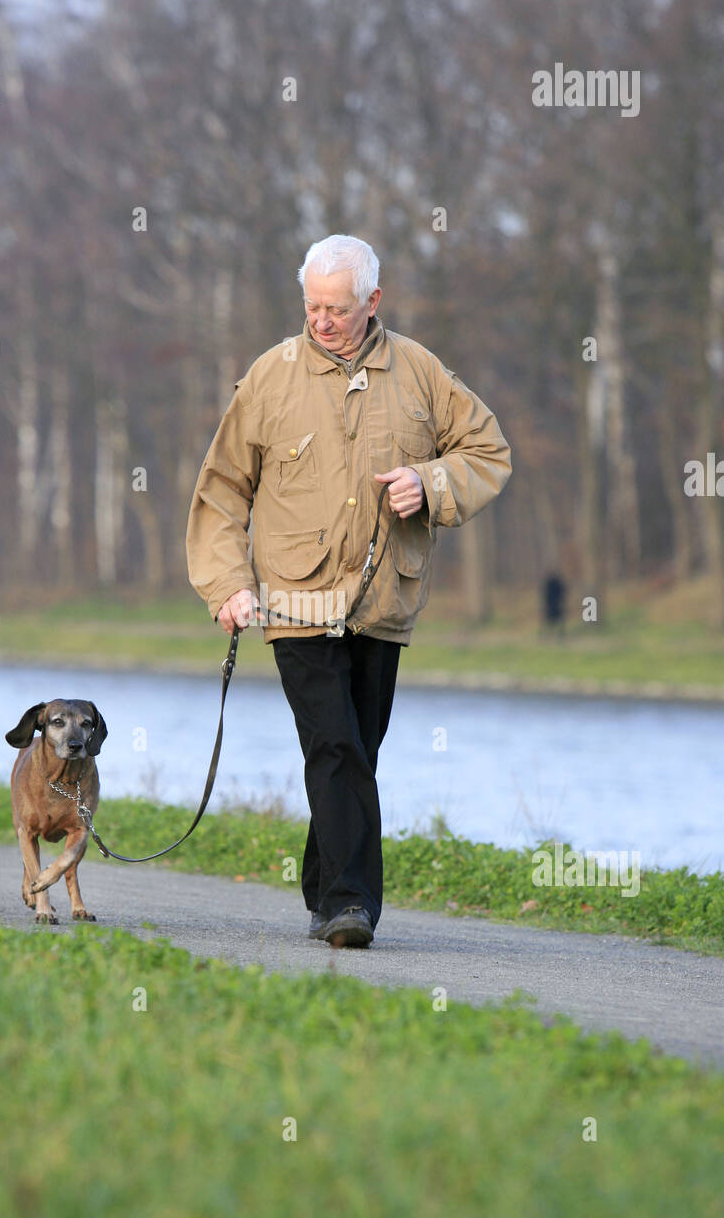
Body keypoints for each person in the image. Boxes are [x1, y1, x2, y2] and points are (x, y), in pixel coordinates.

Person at [186, 234, 511, 948]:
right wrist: (228, 585)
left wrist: (428, 483)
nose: (323, 321)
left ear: (373, 302)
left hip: (383, 602)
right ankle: (349, 904)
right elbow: (221, 491)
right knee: (335, 746)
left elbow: (488, 452)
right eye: (313, 306)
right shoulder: (269, 377)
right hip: (293, 602)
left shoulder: (420, 371)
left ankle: (318, 885)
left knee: (357, 748)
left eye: (338, 308)